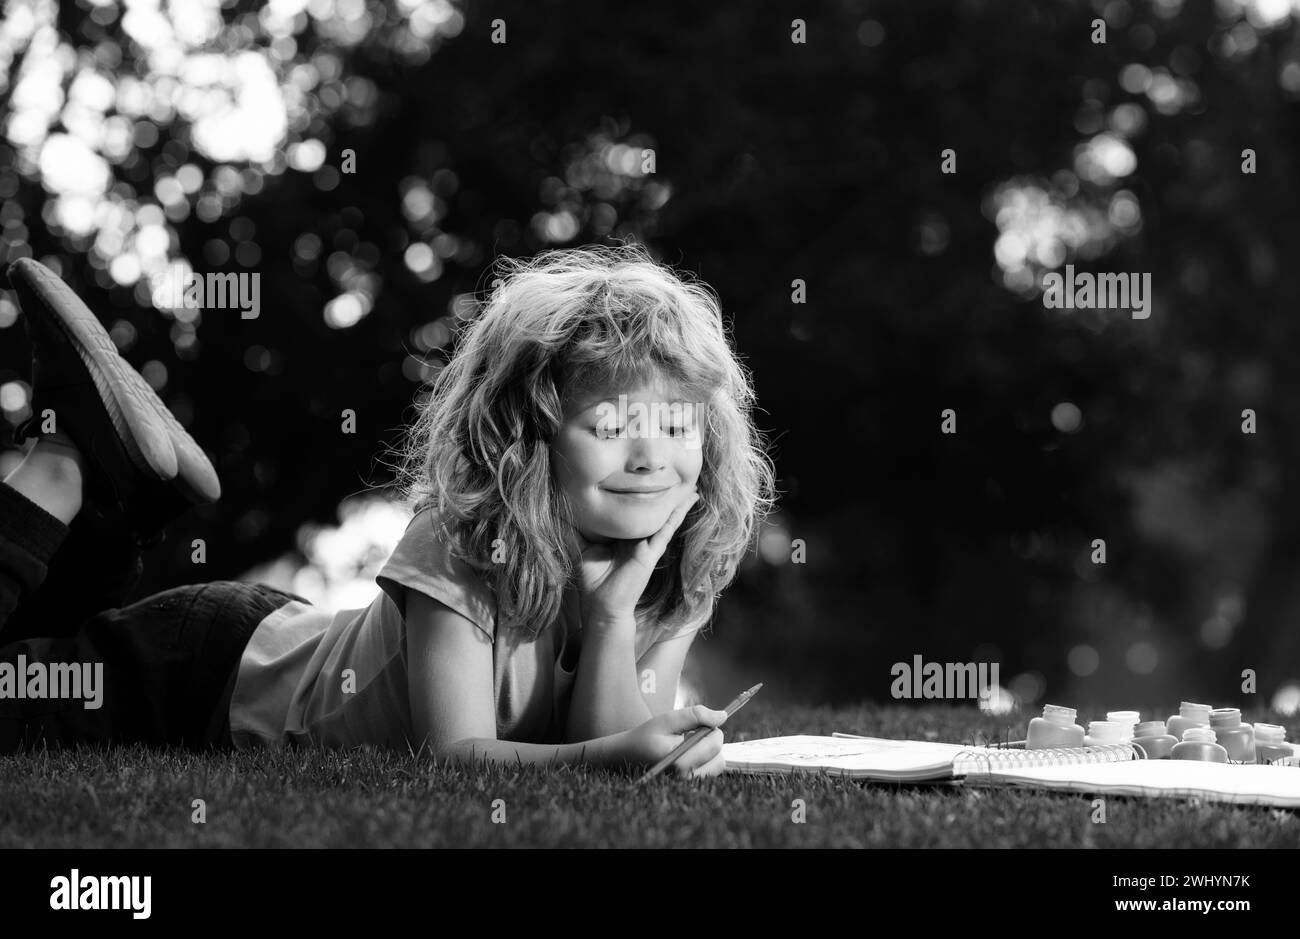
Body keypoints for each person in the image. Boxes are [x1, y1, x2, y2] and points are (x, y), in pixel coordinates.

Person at [0, 243, 776, 778]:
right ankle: (62, 470)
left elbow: (605, 744)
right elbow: (455, 755)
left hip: (264, 639)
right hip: (202, 671)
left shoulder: (675, 565)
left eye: (677, 425)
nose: (651, 457)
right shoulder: (470, 539)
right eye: (611, 426)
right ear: (532, 431)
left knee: (31, 644)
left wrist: (610, 618)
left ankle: (112, 498)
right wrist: (616, 755)